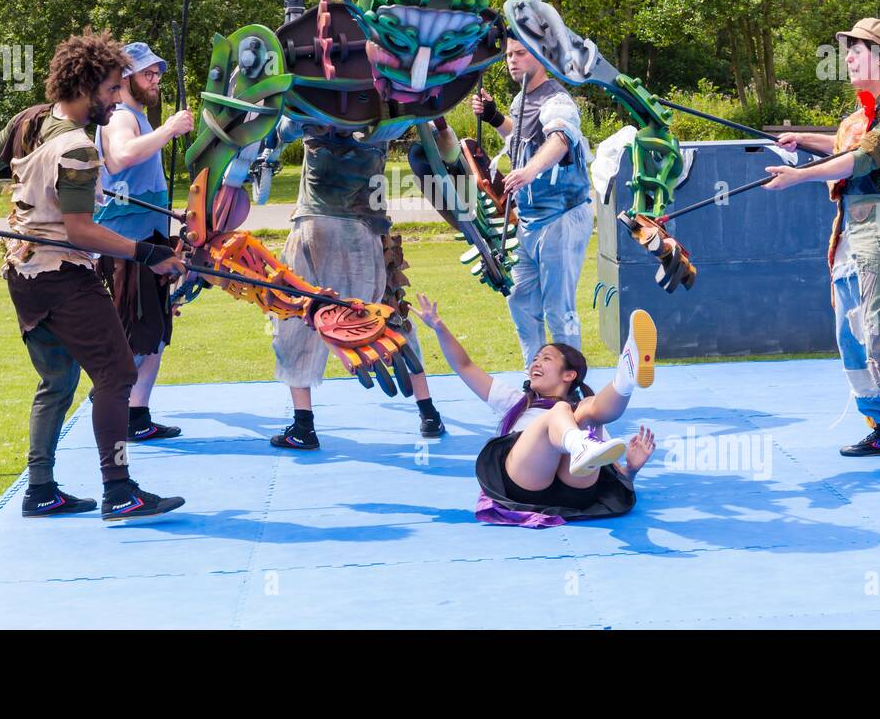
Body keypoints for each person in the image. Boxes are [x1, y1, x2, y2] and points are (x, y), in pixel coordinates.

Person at [0, 28, 190, 520]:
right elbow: (81, 231)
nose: (116, 99)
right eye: (110, 89)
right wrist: (148, 254)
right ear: (86, 87)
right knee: (117, 374)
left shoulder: (30, 120)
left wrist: (27, 164)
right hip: (62, 276)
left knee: (59, 380)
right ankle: (120, 490)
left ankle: (40, 490)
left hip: (22, 275)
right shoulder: (79, 150)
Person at [766, 17, 880, 474]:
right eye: (846, 51)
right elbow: (844, 146)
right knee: (851, 335)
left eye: (857, 50)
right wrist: (803, 141)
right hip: (853, 233)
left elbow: (867, 156)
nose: (847, 58)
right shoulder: (871, 109)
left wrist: (799, 176)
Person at [268, 123, 443, 450]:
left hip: (316, 228)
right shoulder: (386, 115)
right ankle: (428, 412)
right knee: (387, 317)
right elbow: (430, 131)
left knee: (296, 319)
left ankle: (303, 425)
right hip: (362, 234)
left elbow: (282, 130)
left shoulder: (311, 109)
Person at [415, 294, 658, 526]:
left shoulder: (584, 415)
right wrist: (438, 326)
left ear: (569, 375)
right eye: (535, 359)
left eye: (546, 359)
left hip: (574, 494)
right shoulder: (515, 401)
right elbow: (464, 365)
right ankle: (585, 434)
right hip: (525, 486)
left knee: (586, 409)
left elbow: (611, 474)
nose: (536, 363)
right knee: (563, 410)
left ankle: (625, 378)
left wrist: (631, 469)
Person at [93, 41, 195, 442]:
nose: (155, 80)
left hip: (149, 240)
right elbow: (121, 158)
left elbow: (141, 180)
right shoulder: (121, 117)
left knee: (153, 336)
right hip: (128, 245)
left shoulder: (137, 117)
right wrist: (170, 129)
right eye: (147, 74)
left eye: (157, 74)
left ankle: (137, 416)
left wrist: (174, 218)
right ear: (125, 78)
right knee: (137, 335)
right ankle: (114, 400)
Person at [471, 37, 594, 367]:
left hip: (562, 216)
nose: (512, 60)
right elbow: (522, 140)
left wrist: (529, 171)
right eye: (509, 54)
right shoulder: (521, 99)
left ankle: (570, 381)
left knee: (558, 308)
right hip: (529, 220)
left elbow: (560, 139)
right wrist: (495, 117)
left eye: (520, 53)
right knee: (520, 300)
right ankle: (536, 377)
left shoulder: (557, 100)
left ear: (540, 56)